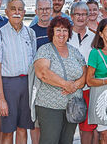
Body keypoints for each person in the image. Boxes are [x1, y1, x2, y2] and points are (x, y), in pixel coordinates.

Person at [0, 0, 37, 144]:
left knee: (23, 129)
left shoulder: (30, 34)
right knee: (8, 131)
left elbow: (34, 63)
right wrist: (1, 99)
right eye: (13, 9)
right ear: (7, 12)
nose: (17, 12)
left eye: (20, 9)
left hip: (27, 85)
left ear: (24, 12)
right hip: (8, 86)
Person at [33, 16, 87, 144]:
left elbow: (85, 71)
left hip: (72, 107)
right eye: (58, 30)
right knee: (49, 140)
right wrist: (65, 85)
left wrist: (75, 85)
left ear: (69, 33)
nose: (61, 34)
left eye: (65, 30)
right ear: (52, 31)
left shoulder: (74, 51)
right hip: (50, 107)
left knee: (67, 141)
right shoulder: (45, 50)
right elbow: (43, 73)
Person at [65, 2, 98, 144]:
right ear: (71, 16)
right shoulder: (64, 35)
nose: (81, 17)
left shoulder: (95, 37)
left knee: (87, 128)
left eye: (84, 14)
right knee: (67, 129)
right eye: (77, 14)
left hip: (88, 89)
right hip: (67, 89)